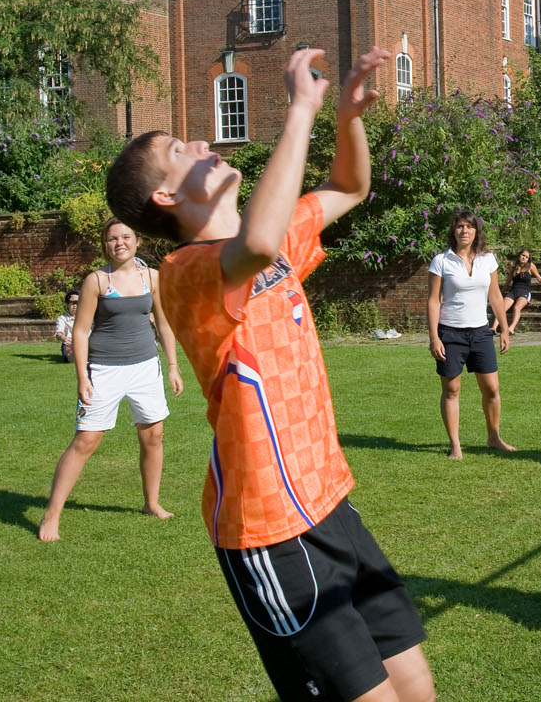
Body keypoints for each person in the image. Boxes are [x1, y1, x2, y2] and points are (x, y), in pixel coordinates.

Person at [103, 47, 436, 702]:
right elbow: (253, 245)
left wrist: (346, 118)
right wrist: (300, 108)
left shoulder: (277, 236)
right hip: (269, 533)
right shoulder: (185, 273)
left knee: (416, 689)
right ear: (166, 194)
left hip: (331, 504)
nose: (201, 140)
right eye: (180, 147)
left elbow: (348, 188)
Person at [37, 220, 182, 543]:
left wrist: (172, 365)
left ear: (137, 241)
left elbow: (164, 322)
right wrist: (82, 377)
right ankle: (52, 515)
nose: (120, 243)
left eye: (126, 237)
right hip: (104, 369)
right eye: (113, 238)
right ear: (106, 244)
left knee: (153, 436)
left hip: (146, 367)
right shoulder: (97, 281)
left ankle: (151, 503)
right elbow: (80, 329)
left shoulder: (152, 277)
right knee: (86, 440)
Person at [429, 209, 515, 459]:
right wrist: (434, 337)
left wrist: (505, 328)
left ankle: (494, 437)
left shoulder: (488, 259)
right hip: (450, 333)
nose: (464, 231)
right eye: (459, 227)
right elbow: (433, 301)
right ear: (453, 231)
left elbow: (495, 295)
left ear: (476, 231)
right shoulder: (441, 261)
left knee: (491, 389)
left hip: (480, 332)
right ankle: (455, 445)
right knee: (452, 390)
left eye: (469, 226)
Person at [493, 247, 541, 335]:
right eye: (523, 255)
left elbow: (539, 279)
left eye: (526, 257)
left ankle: (511, 328)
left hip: (525, 292)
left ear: (528, 259)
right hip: (513, 291)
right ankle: (494, 327)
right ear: (519, 255)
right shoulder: (513, 265)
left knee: (516, 308)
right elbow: (509, 280)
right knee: (501, 308)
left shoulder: (531, 266)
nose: (524, 258)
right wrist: (502, 291)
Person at [54, 289, 79, 362]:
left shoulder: (85, 317)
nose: (75, 305)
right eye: (72, 303)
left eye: (77, 302)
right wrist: (63, 337)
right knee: (70, 359)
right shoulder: (62, 319)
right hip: (69, 343)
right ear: (67, 304)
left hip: (84, 343)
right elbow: (59, 333)